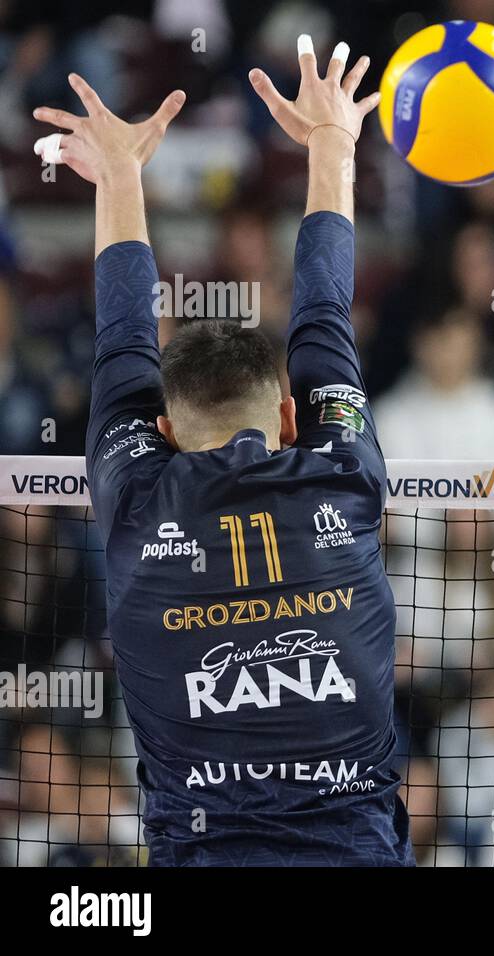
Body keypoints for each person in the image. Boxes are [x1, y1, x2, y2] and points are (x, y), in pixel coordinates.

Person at [35, 36, 413, 865]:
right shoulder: (341, 477)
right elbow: (323, 317)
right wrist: (332, 144)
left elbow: (124, 344)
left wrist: (120, 177)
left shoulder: (139, 500)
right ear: (289, 418)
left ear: (165, 435)